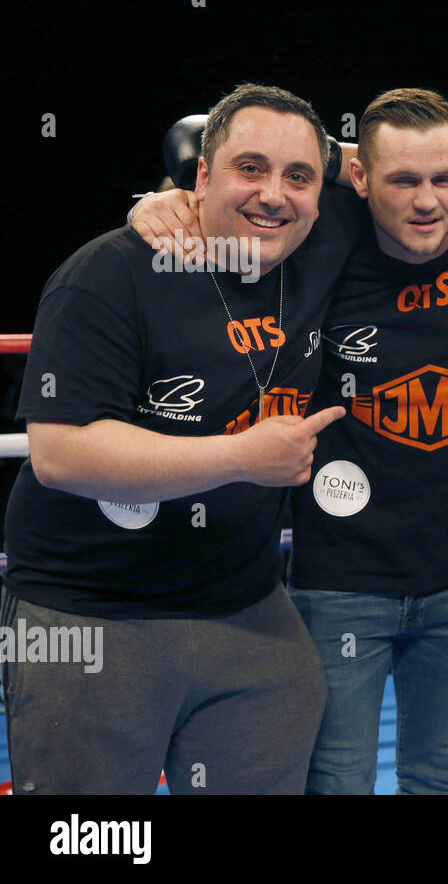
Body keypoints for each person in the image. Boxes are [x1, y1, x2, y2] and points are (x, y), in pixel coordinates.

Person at [0, 84, 359, 794]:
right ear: (201, 175)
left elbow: (409, 160)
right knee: (91, 843)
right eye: (248, 168)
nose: (274, 194)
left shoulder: (325, 241)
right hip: (93, 611)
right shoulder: (110, 273)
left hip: (250, 608)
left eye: (298, 176)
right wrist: (240, 457)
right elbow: (60, 452)